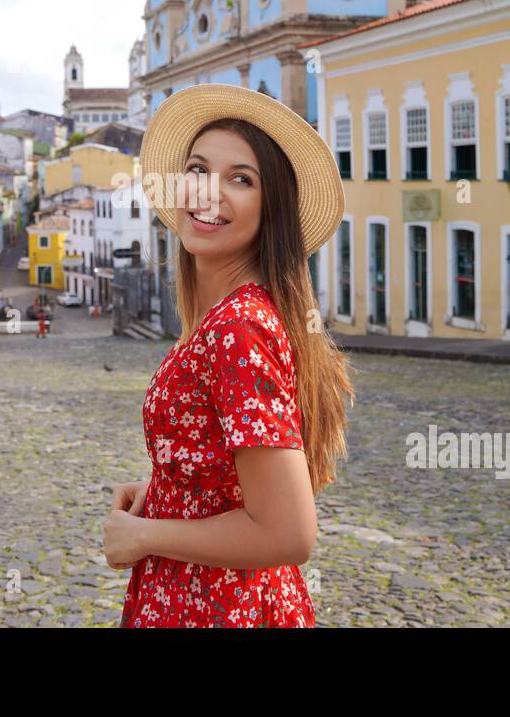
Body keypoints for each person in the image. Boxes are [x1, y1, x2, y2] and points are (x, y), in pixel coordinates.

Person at [105, 83, 354, 628]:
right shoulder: (227, 321)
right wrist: (165, 489)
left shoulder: (238, 331)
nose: (207, 192)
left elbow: (289, 533)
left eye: (241, 179)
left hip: (221, 608)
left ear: (272, 208)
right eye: (197, 169)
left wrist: (142, 534)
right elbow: (234, 476)